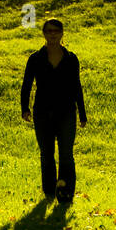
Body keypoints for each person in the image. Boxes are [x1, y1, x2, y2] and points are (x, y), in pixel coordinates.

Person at [21, 19, 87, 204]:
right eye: (49, 31)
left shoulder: (71, 58)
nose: (52, 34)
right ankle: (49, 192)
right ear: (44, 33)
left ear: (62, 33)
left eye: (56, 31)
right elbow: (26, 85)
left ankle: (65, 193)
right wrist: (24, 108)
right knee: (46, 154)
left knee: (66, 154)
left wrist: (82, 114)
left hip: (66, 112)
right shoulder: (35, 59)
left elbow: (76, 86)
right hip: (42, 112)